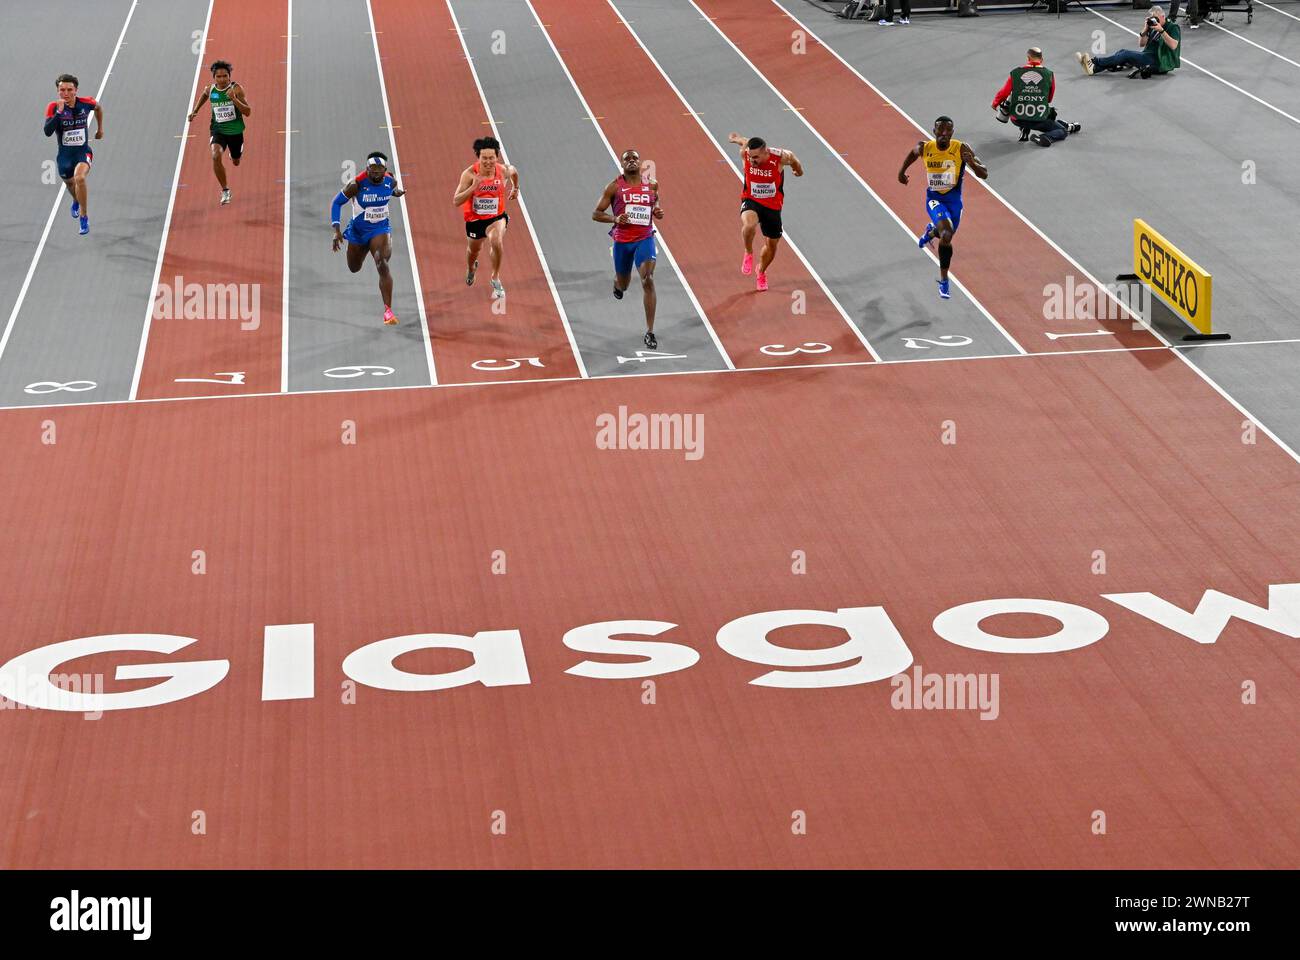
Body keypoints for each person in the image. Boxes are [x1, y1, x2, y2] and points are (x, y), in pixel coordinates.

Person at [897, 116, 988, 301]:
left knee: (946, 233)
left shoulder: (961, 148)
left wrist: (971, 163)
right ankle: (944, 280)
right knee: (946, 234)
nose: (944, 134)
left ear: (952, 133)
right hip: (934, 199)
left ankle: (931, 232)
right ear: (934, 131)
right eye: (941, 130)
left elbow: (984, 173)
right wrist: (901, 172)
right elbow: (912, 154)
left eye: (948, 131)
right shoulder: (925, 148)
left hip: (954, 202)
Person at [593, 149, 664, 350]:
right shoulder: (614, 187)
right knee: (624, 284)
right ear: (622, 164)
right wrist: (615, 218)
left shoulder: (651, 184)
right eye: (627, 159)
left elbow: (655, 200)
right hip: (623, 242)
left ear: (640, 162)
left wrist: (657, 210)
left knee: (647, 279)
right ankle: (618, 283)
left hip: (645, 238)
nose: (632, 161)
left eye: (635, 158)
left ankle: (650, 332)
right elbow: (596, 213)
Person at [330, 152, 406, 326]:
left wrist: (396, 192)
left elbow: (390, 189)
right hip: (358, 231)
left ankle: (388, 311)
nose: (376, 173)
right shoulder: (356, 185)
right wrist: (337, 230)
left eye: (380, 170)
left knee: (381, 262)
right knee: (354, 268)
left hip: (380, 228)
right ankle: (361, 250)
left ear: (385, 170)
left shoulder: (390, 180)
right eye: (372, 169)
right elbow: (336, 202)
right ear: (367, 169)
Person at [726, 133, 803, 292]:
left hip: (773, 205)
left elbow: (794, 159)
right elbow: (745, 142)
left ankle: (761, 271)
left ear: (765, 152)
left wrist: (798, 170)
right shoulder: (746, 154)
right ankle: (748, 253)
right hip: (751, 199)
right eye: (750, 156)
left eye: (756, 157)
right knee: (749, 226)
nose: (752, 160)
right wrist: (736, 139)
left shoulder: (779, 157)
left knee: (772, 245)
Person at [452, 136, 517, 299]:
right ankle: (471, 268)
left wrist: (516, 188)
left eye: (491, 158)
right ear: (478, 156)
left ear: (497, 157)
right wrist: (473, 188)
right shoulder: (468, 174)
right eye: (484, 158)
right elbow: (456, 201)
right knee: (474, 250)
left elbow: (515, 171)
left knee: (496, 240)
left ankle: (495, 277)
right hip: (475, 221)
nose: (488, 162)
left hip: (497, 217)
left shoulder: (503, 171)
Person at [44, 73, 103, 236]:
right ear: (58, 91)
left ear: (76, 90)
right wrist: (59, 113)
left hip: (82, 152)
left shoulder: (86, 103)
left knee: (80, 178)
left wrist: (100, 129)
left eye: (70, 89)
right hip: (64, 157)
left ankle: (84, 217)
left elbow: (98, 107)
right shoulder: (53, 107)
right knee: (70, 185)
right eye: (62, 90)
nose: (66, 93)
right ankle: (76, 200)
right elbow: (47, 132)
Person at [187, 60, 251, 206]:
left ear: (229, 76)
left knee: (236, 162)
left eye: (225, 76)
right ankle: (225, 190)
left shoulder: (237, 89)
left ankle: (236, 154)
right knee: (215, 155)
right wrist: (195, 111)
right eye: (219, 76)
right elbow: (204, 95)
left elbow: (248, 112)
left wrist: (234, 99)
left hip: (235, 132)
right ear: (214, 77)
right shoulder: (211, 90)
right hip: (218, 130)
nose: (222, 79)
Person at [992, 47, 1082, 148]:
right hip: (1038, 120)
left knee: (1020, 101)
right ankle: (1045, 137)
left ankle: (1024, 129)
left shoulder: (1015, 73)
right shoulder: (1049, 74)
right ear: (1042, 60)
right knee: (1062, 131)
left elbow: (1004, 93)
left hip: (1017, 119)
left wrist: (995, 103)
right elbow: (1049, 99)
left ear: (1028, 58)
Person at [1076, 6, 1181, 78]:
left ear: (1163, 16)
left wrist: (1161, 31)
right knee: (1122, 52)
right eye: (1153, 19)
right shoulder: (1154, 26)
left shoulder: (1172, 27)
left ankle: (1094, 62)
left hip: (1159, 62)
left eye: (1156, 19)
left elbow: (1173, 45)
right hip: (1148, 56)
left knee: (1125, 54)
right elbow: (1142, 44)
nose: (1155, 21)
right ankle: (1093, 69)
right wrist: (1145, 30)